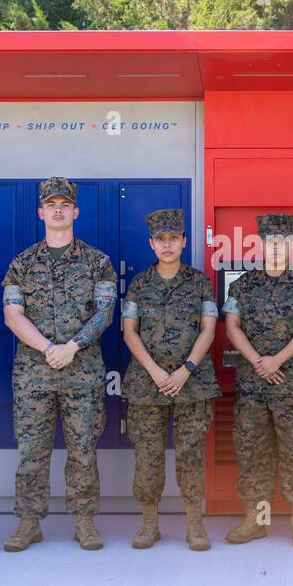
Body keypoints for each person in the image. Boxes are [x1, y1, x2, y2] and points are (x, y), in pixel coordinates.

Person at [1, 176, 117, 552]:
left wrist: (73, 346)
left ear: (75, 211)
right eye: (51, 205)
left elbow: (104, 313)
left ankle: (84, 522)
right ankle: (29, 522)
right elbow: (12, 315)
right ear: (41, 212)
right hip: (34, 375)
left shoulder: (97, 263)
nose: (57, 210)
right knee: (32, 450)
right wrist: (49, 347)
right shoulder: (21, 264)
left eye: (64, 205)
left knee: (83, 449)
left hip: (81, 374)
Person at [222, 213, 293, 547]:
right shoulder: (243, 285)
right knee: (254, 454)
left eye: (283, 241)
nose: (277, 248)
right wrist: (257, 362)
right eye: (270, 241)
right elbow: (232, 326)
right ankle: (258, 519)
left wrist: (276, 361)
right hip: (253, 388)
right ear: (260, 244)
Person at [120, 208, 221, 551]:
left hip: (191, 384)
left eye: (173, 238)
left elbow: (209, 329)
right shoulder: (139, 285)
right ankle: (150, 524)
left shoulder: (200, 282)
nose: (167, 245)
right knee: (148, 457)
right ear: (151, 244)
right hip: (148, 385)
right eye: (160, 239)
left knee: (190, 456)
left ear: (184, 241)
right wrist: (156, 371)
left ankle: (195, 524)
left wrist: (185, 370)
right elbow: (129, 332)